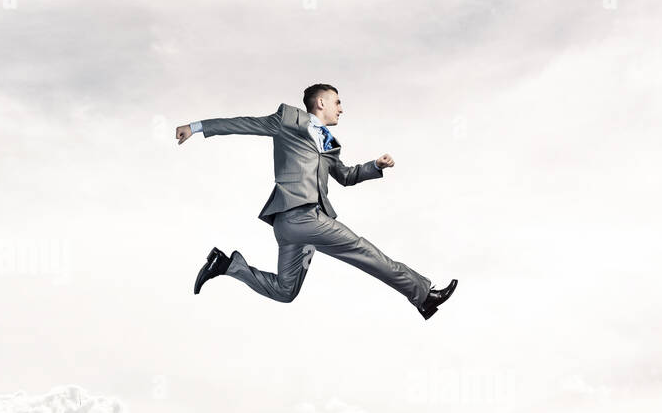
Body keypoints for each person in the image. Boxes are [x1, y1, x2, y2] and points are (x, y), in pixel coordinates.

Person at [177, 84, 457, 319]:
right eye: (338, 102)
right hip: (302, 215)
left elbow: (346, 176)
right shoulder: (288, 120)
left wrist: (375, 165)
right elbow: (244, 124)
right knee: (364, 251)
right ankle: (423, 295)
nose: (341, 109)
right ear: (321, 102)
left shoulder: (329, 143)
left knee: (285, 291)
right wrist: (195, 127)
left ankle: (226, 266)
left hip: (291, 228)